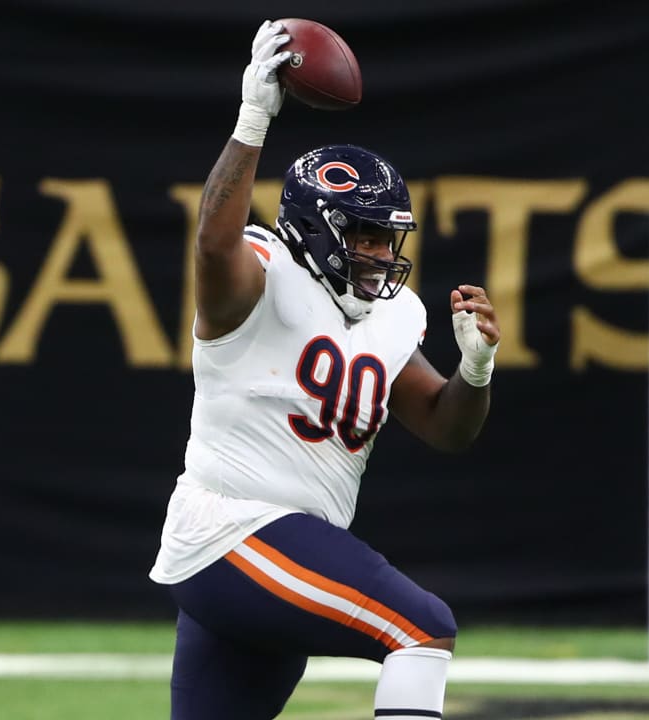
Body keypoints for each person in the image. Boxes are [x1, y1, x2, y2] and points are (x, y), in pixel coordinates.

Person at [147, 20, 500, 720]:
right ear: (314, 226)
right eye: (361, 233)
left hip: (286, 556)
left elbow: (444, 426)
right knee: (421, 628)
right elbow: (212, 249)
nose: (377, 252)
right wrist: (254, 120)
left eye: (386, 236)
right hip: (233, 530)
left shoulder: (394, 315)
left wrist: (479, 369)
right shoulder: (261, 275)